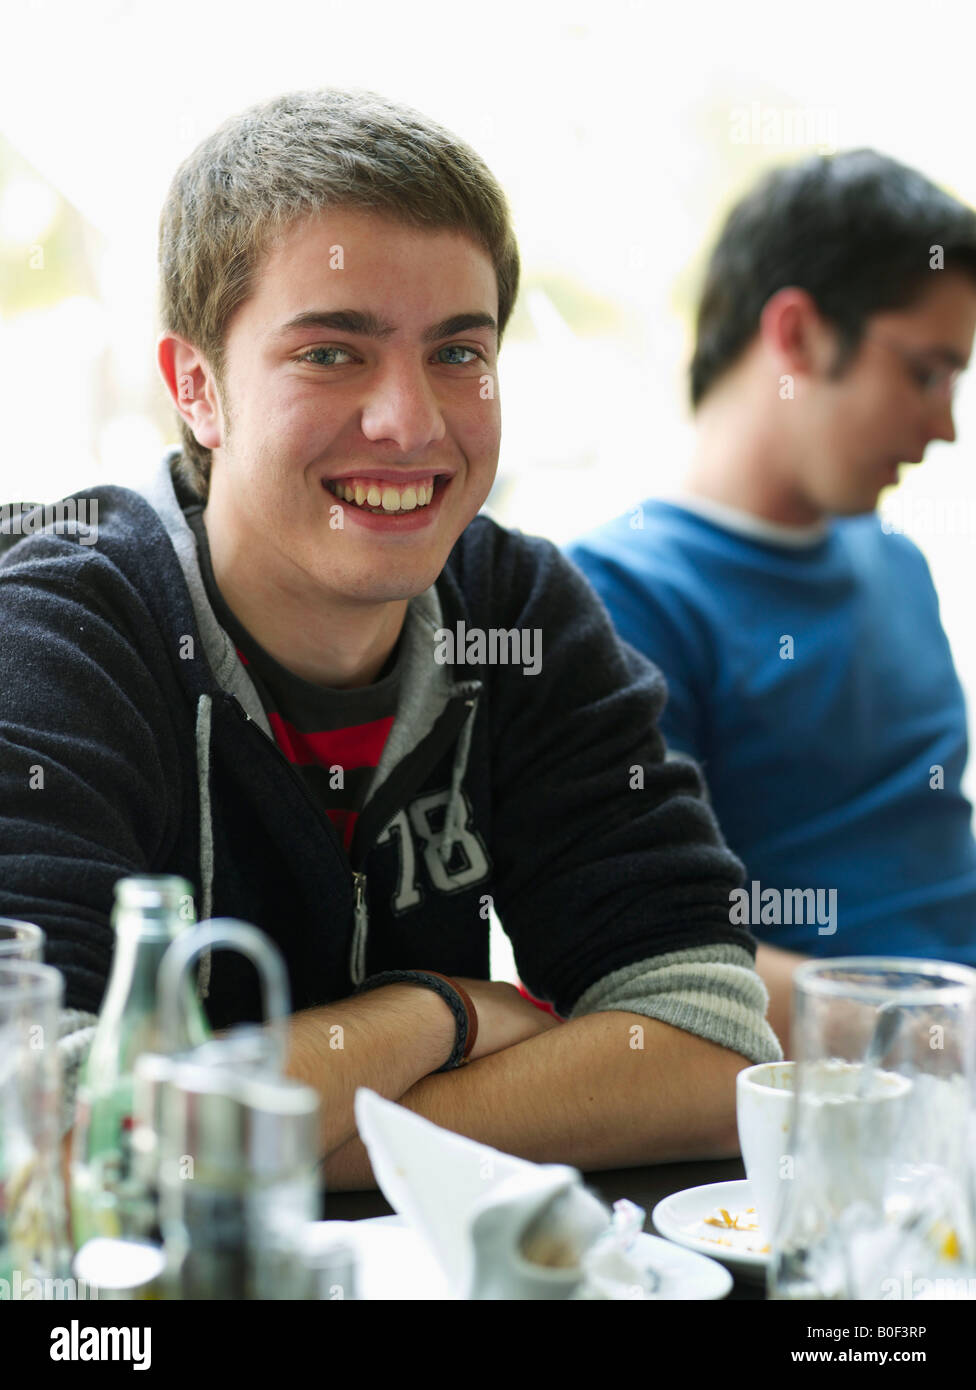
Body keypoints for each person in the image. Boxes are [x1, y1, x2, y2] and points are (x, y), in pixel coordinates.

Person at [0, 88, 778, 1191]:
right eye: (330, 354)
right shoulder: (61, 631)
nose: (410, 423)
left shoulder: (519, 614)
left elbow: (709, 1048)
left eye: (459, 352)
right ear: (196, 389)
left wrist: (246, 1134)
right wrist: (444, 1012)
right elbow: (50, 1130)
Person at [568, 149, 976, 1055]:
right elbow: (658, 957)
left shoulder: (898, 563)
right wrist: (940, 1027)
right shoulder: (617, 596)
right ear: (795, 335)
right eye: (924, 372)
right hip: (853, 1101)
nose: (946, 424)